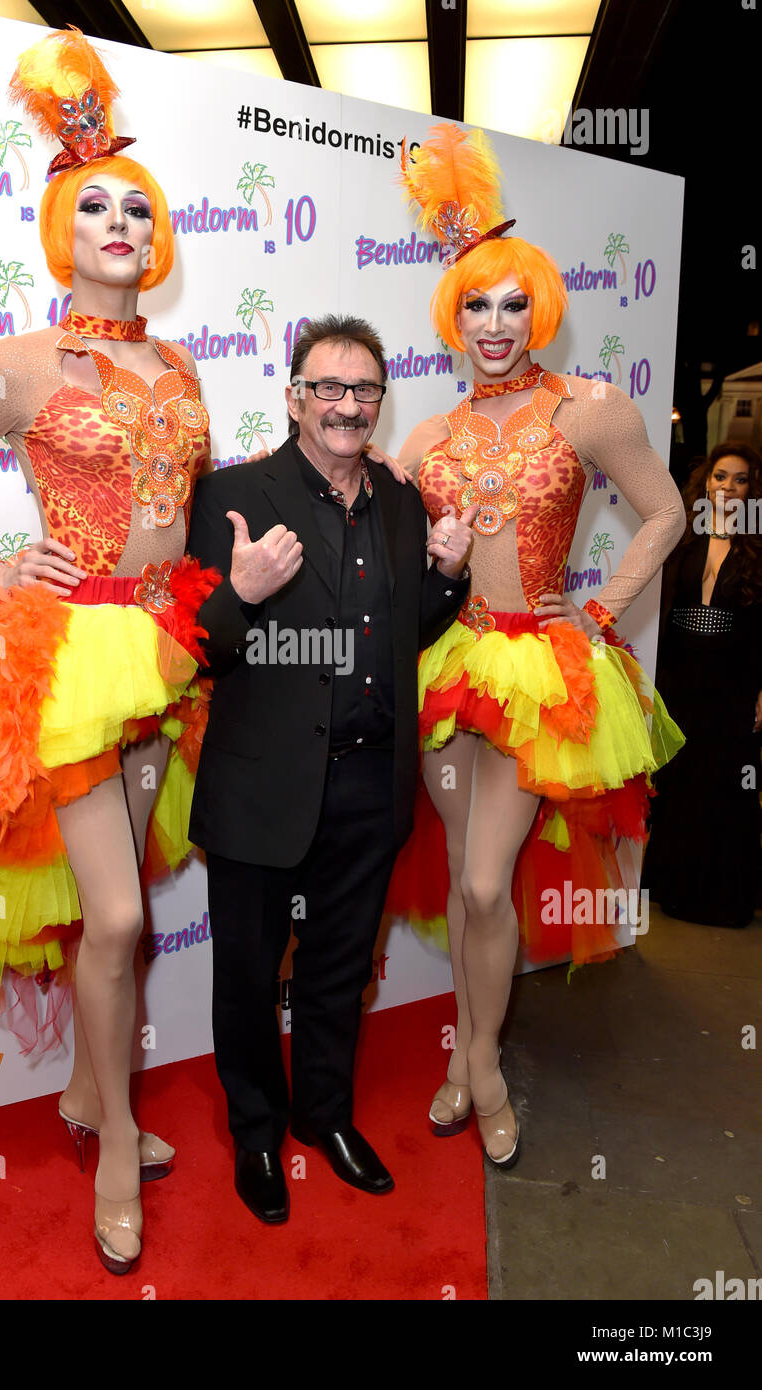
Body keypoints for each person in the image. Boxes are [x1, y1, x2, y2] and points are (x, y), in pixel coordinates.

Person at [0, 29, 218, 1275]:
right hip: (66, 665)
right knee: (118, 919)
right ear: (62, 226)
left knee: (111, 911)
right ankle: (118, 1138)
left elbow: (182, 510)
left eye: (139, 207)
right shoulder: (15, 365)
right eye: (97, 206)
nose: (120, 223)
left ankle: (81, 1091)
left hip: (162, 655)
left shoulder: (178, 367)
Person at [386, 124, 686, 1167]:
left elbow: (666, 512)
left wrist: (600, 608)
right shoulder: (426, 437)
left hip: (540, 668)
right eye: (477, 304)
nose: (497, 323)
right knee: (469, 879)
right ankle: (469, 1058)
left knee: (480, 886)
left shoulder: (590, 408)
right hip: (450, 666)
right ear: (452, 315)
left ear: (541, 307)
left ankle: (482, 1066)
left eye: (515, 303)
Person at [184, 315, 473, 1222]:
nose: (346, 405)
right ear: (294, 399)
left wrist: (451, 580)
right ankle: (258, 1135)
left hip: (365, 783)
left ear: (381, 402)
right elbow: (200, 648)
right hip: (261, 787)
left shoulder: (400, 502)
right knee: (247, 970)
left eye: (364, 391)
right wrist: (243, 594)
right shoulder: (232, 493)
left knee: (341, 968)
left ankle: (327, 1116)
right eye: (327, 389)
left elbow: (400, 634)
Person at [643, 442, 762, 925]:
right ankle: (671, 884)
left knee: (727, 785)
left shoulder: (758, 546)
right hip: (679, 676)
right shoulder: (684, 537)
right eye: (720, 477)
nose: (728, 488)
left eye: (740, 480)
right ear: (705, 483)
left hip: (733, 682)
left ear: (753, 490)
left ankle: (721, 897)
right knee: (679, 779)